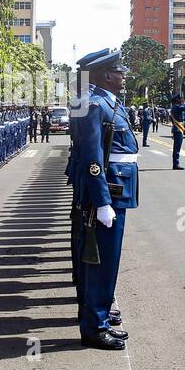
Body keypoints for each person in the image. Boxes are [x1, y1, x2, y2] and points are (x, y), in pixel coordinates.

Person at [70, 48, 137, 350]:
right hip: (109, 190)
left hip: (119, 189)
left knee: (109, 261)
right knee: (99, 261)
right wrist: (101, 201)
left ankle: (101, 317)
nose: (124, 76)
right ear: (106, 75)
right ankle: (94, 327)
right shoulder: (95, 105)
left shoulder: (109, 103)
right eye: (119, 71)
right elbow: (93, 159)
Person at [169, 92, 185, 170]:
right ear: (177, 100)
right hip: (177, 129)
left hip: (177, 128)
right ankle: (176, 164)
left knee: (177, 148)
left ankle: (176, 163)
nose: (181, 100)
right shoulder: (176, 107)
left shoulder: (175, 107)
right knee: (177, 148)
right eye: (180, 99)